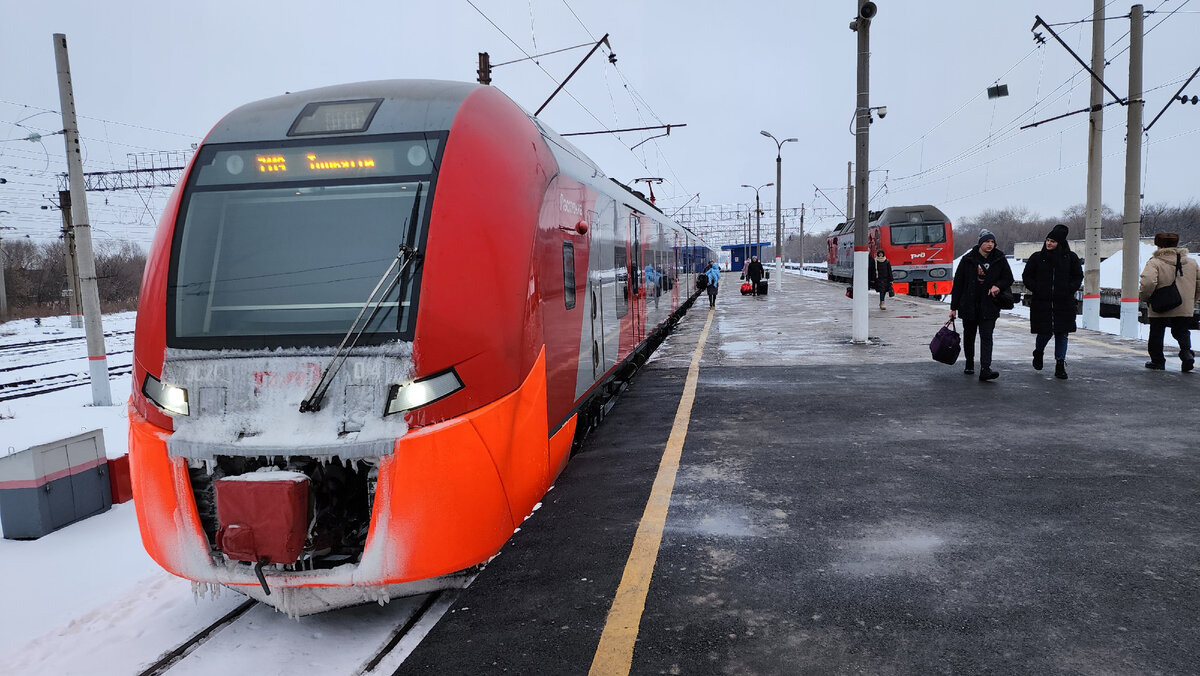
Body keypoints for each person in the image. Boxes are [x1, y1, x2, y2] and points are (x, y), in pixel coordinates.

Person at [949, 229, 1014, 381]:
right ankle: (969, 363)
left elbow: (1008, 278)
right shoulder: (968, 259)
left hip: (989, 304)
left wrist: (998, 285)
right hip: (969, 305)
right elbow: (958, 284)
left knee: (987, 336)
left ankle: (985, 368)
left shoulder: (999, 258)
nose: (990, 245)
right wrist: (953, 307)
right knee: (969, 336)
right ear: (980, 243)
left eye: (992, 242)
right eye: (987, 242)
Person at [1022, 224, 1083, 379]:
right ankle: (1039, 352)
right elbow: (1027, 276)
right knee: (1045, 332)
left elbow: (1078, 276)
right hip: (1042, 303)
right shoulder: (1037, 258)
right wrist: (1037, 288)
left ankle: (1060, 364)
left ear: (1060, 243)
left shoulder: (1070, 258)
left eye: (1053, 241)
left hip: (1064, 302)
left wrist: (1069, 289)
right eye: (1048, 240)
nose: (1049, 243)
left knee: (1062, 334)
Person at [1138, 232, 1200, 372]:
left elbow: (1148, 283)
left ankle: (1158, 362)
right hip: (1184, 305)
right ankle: (1186, 354)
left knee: (1157, 333)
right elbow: (1198, 284)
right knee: (1182, 331)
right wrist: (1191, 300)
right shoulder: (1191, 262)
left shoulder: (1155, 262)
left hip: (1161, 304)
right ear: (1176, 244)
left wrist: (1146, 297)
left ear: (1158, 244)